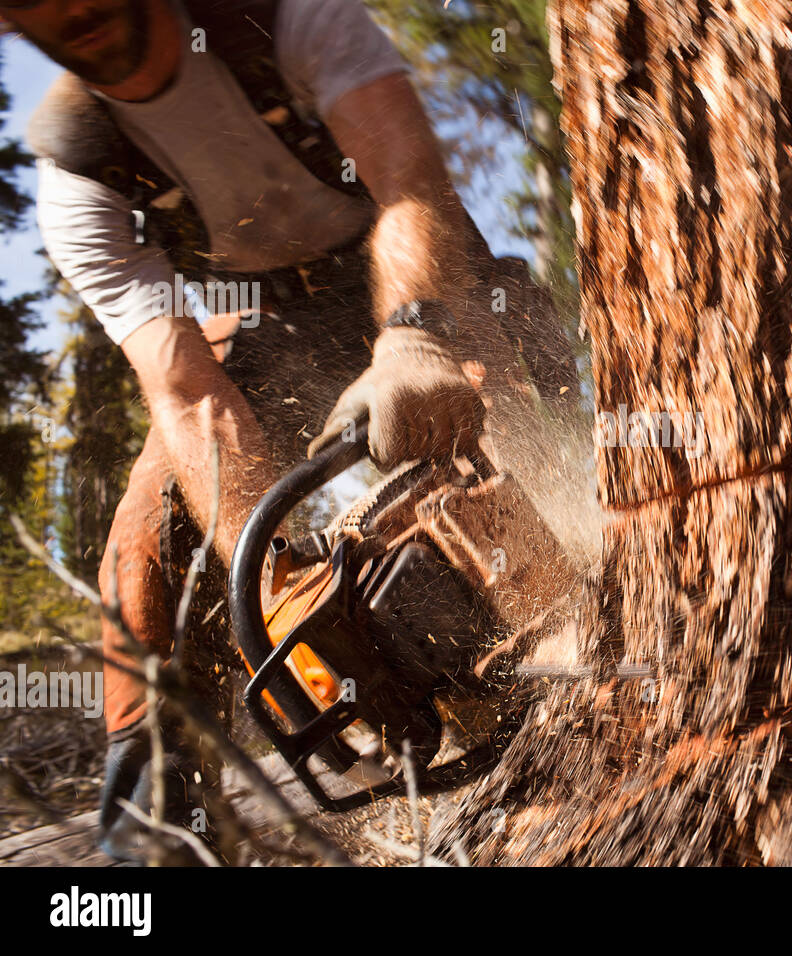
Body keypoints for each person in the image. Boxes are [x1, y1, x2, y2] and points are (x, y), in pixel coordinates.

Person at [2, 0, 576, 862]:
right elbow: (188, 390)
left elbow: (410, 182)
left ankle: (581, 646)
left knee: (495, 429)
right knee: (144, 541)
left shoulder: (289, 17)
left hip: (409, 259)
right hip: (262, 313)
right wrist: (264, 586)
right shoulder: (79, 175)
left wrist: (416, 336)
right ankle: (157, 809)